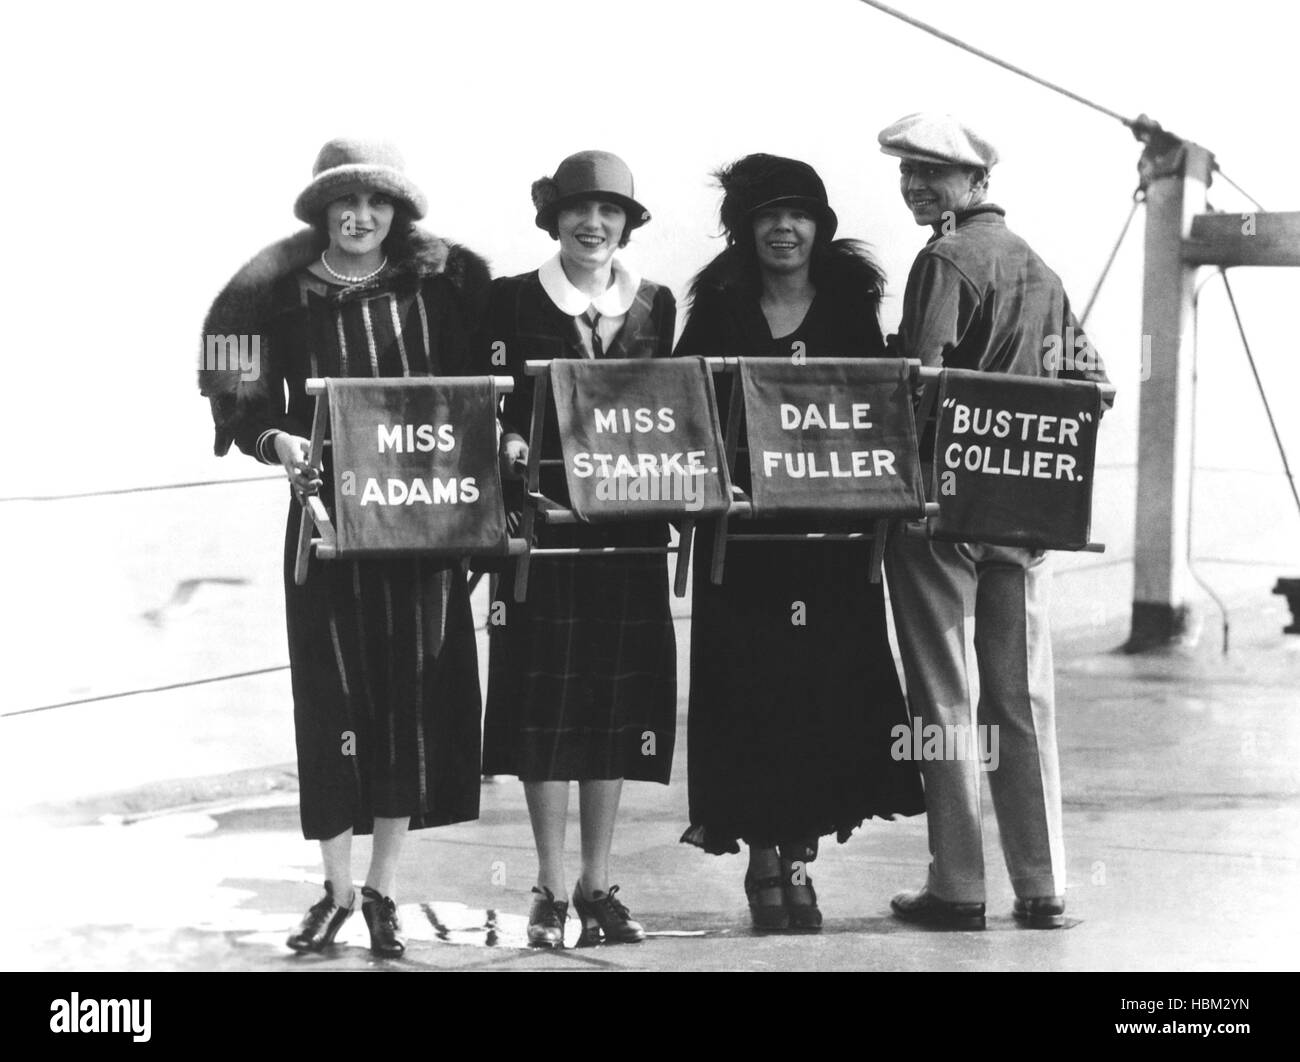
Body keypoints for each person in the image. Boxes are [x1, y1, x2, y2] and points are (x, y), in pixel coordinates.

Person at [199, 138, 490, 957]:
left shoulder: (447, 287)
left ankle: (383, 888)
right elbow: (236, 393)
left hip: (425, 522)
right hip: (324, 523)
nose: (361, 217)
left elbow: (484, 387)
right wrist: (275, 441)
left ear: (398, 212)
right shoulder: (266, 293)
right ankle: (334, 888)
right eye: (345, 203)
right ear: (322, 211)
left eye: (376, 202)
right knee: (331, 701)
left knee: (410, 704)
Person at [675, 154, 924, 932]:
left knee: (820, 700)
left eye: (799, 214)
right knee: (749, 697)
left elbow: (882, 411)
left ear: (820, 226)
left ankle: (798, 858)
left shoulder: (851, 305)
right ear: (745, 228)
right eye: (768, 216)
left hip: (831, 544)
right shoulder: (717, 305)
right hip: (743, 545)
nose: (784, 229)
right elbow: (680, 407)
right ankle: (763, 861)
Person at [877, 113, 1111, 930]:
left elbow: (920, 382)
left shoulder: (945, 259)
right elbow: (1092, 385)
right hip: (1023, 511)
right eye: (907, 171)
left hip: (941, 508)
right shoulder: (1039, 266)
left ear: (976, 183)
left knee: (945, 698)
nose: (914, 185)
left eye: (931, 173)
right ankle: (1042, 884)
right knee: (1021, 698)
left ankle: (958, 885)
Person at [477, 150, 677, 948]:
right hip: (541, 529)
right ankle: (550, 885)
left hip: (630, 529)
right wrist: (508, 441)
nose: (593, 225)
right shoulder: (508, 300)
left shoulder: (657, 304)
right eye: (578, 210)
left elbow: (671, 413)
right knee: (543, 703)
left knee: (614, 703)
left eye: (609, 211)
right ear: (553, 218)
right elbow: (486, 403)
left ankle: (598, 882)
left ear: (627, 223)